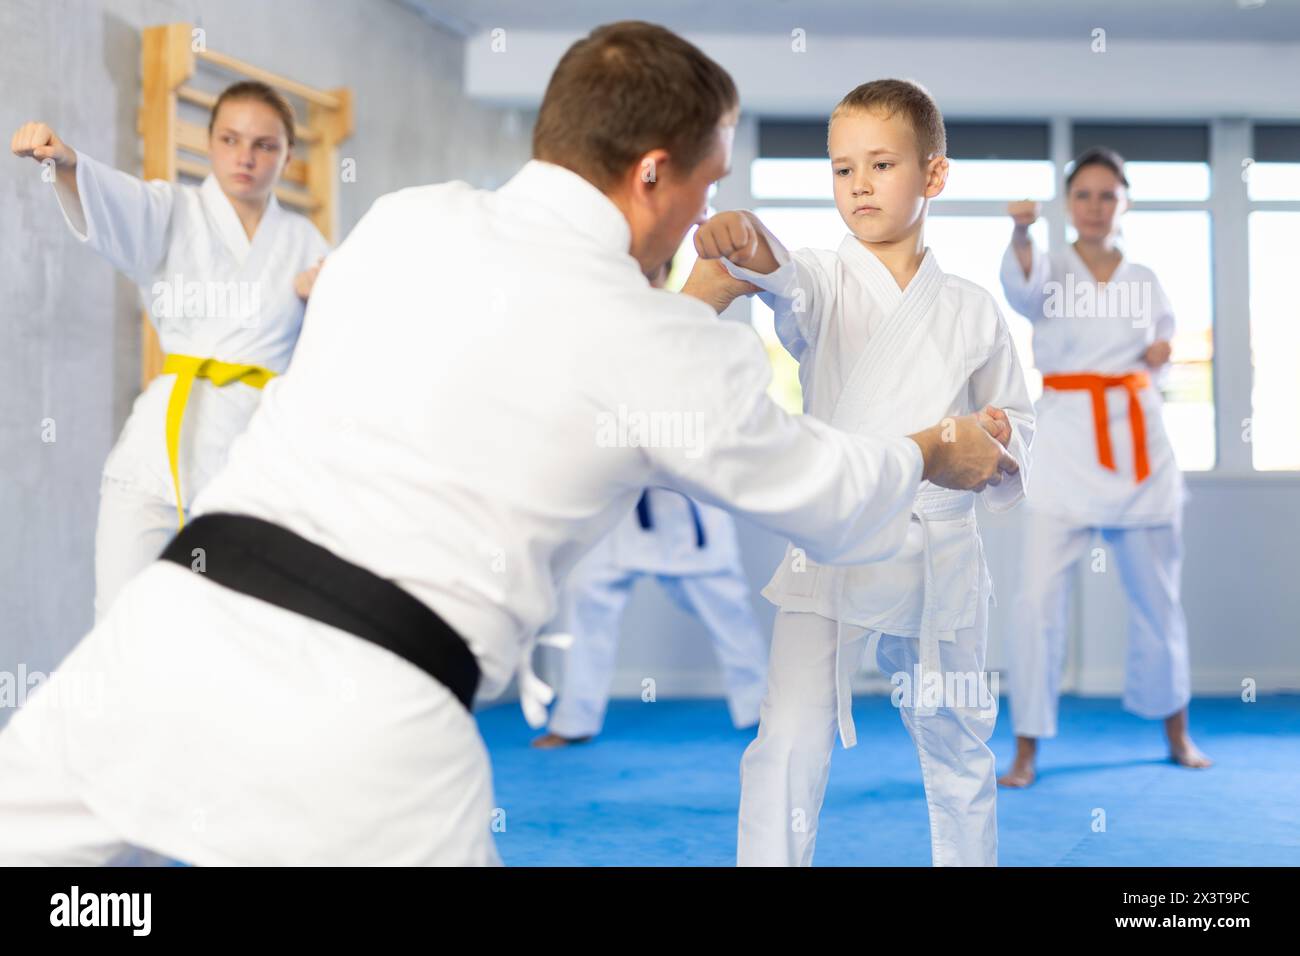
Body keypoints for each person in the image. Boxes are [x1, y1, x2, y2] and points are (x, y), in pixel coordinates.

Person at [0, 22, 1016, 866]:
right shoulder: (655, 344)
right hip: (368, 726)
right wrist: (936, 447)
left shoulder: (402, 223)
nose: (708, 213)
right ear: (653, 173)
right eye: (704, 188)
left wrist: (685, 309)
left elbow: (546, 322)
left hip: (154, 648)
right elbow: (830, 493)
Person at [702, 79, 1035, 867]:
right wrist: (747, 242)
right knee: (788, 738)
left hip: (938, 546)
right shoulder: (823, 278)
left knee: (957, 742)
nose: (859, 184)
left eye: (882, 164)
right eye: (842, 168)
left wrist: (1000, 439)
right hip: (836, 536)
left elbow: (1018, 420)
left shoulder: (973, 307)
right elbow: (781, 275)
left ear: (934, 174)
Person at [9, 81, 329, 622]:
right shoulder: (173, 209)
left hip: (251, 469)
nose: (245, 157)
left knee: (233, 637)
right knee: (122, 623)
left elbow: (343, 354)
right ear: (209, 142)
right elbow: (116, 201)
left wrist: (325, 298)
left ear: (288, 155)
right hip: (157, 457)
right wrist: (65, 163)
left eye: (265, 145)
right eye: (230, 139)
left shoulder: (308, 246)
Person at [997, 146, 1211, 788]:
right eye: (1084, 195)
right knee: (1036, 602)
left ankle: (1176, 731)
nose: (1095, 206)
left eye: (1107, 195)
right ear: (1069, 205)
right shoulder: (1050, 266)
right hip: (1066, 442)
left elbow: (1163, 349)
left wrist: (1161, 351)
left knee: (1159, 600)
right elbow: (1020, 287)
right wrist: (1021, 230)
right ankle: (1027, 745)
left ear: (1125, 203)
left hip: (1138, 442)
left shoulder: (1144, 277)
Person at [534, 259, 769, 748]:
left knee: (728, 611)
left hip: (682, 498)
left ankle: (761, 711)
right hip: (616, 500)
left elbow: (719, 406)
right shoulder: (593, 324)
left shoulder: (688, 320)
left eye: (648, 268)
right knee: (587, 607)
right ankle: (574, 720)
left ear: (662, 270)